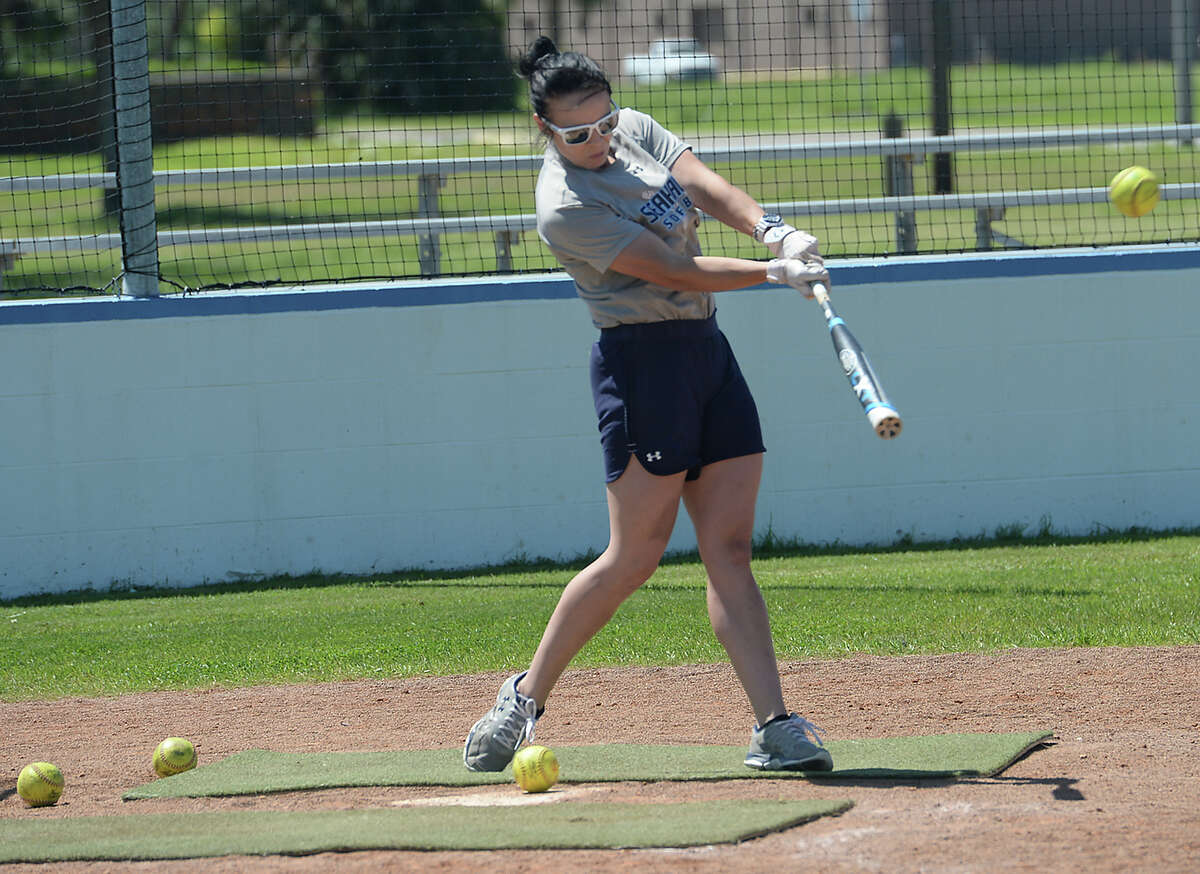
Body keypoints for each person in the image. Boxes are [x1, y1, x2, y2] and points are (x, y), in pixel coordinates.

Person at [464, 36, 834, 773]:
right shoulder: (565, 208)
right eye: (578, 132)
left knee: (729, 549)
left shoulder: (630, 129)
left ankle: (774, 725)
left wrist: (773, 227)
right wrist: (773, 274)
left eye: (603, 122)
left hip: (706, 354)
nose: (599, 139)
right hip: (642, 366)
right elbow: (678, 268)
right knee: (634, 557)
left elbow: (703, 185)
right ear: (545, 130)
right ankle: (524, 697)